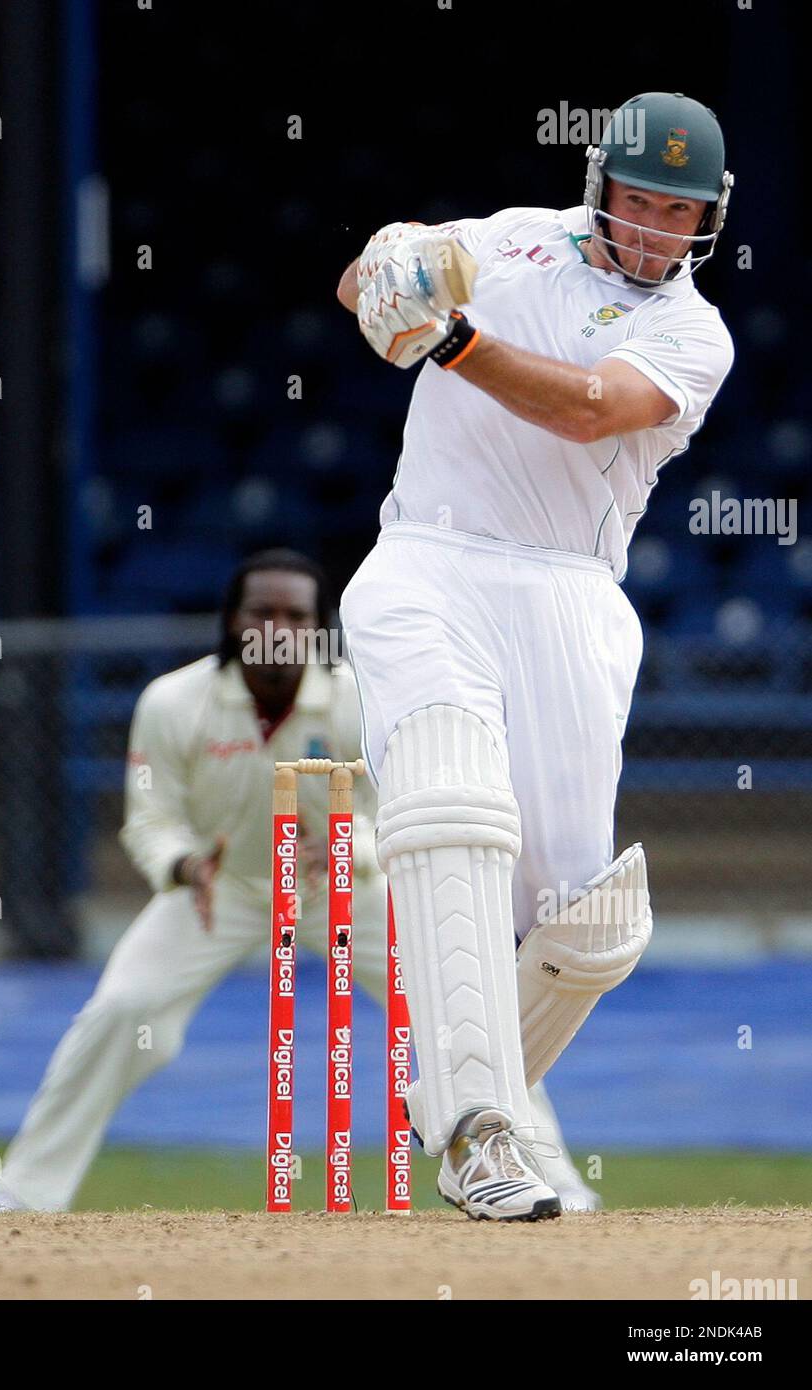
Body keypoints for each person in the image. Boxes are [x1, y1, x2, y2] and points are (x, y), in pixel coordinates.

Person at [335, 93, 735, 1220]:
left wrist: (451, 342)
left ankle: (450, 1096)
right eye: (641, 202)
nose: (657, 230)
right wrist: (390, 264)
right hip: (429, 558)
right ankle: (475, 1133)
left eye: (682, 211)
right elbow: (372, 290)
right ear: (601, 187)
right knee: (452, 806)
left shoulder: (694, 334)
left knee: (589, 916)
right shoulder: (512, 235)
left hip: (569, 593)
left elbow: (591, 411)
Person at [0, 549, 597, 1212]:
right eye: (259, 612)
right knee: (123, 1010)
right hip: (224, 890)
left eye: (294, 615)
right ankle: (25, 1190)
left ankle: (552, 1180)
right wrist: (184, 865)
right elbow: (150, 818)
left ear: (320, 627)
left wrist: (349, 844)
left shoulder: (363, 698)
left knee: (463, 1005)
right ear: (230, 621)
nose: (276, 628)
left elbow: (398, 811)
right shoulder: (173, 702)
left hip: (344, 889)